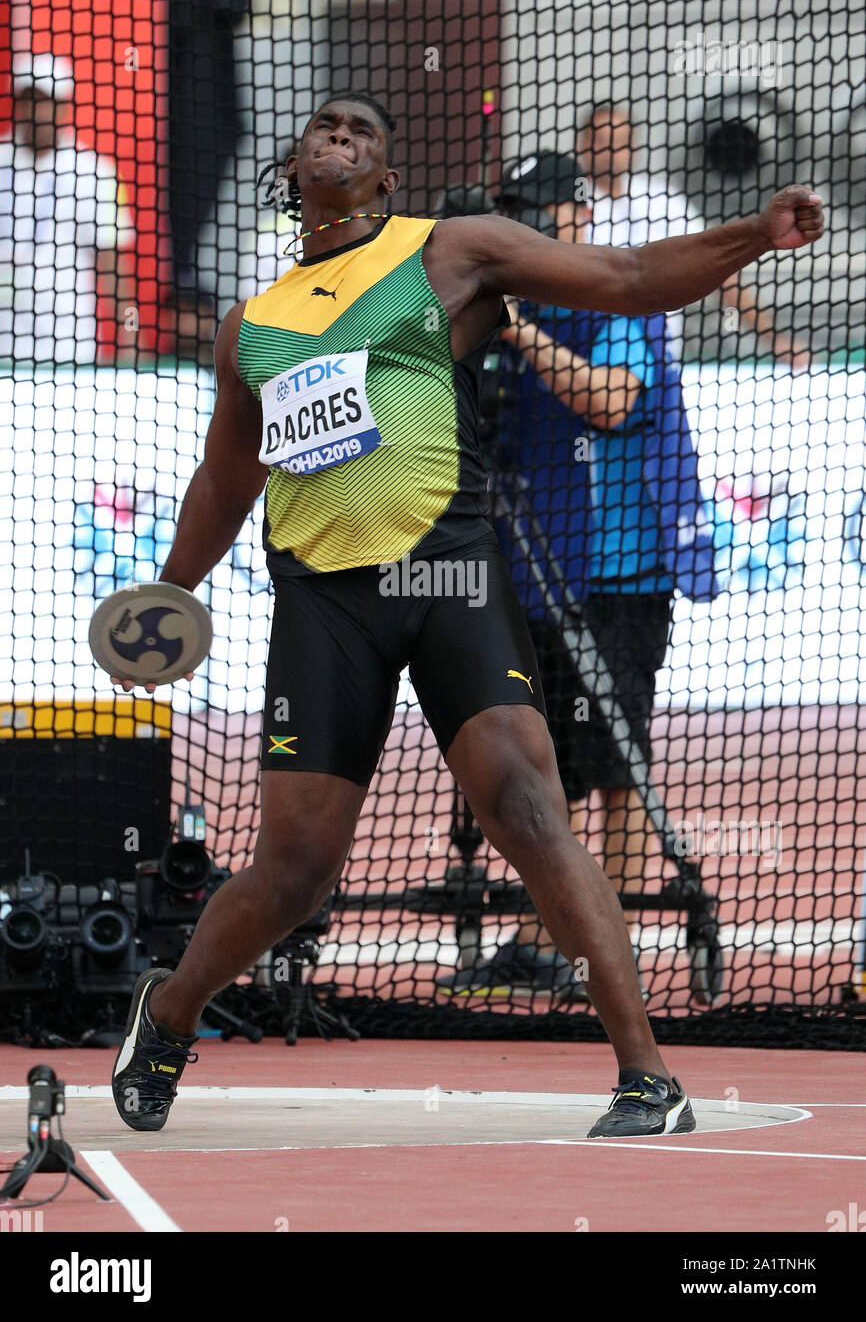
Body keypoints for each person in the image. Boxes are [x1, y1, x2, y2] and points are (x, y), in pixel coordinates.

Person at [109, 92, 823, 1140]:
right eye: (326, 125)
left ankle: (644, 1078)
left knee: (527, 803)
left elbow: (625, 281)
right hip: (325, 599)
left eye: (362, 127)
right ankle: (168, 1012)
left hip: (445, 574)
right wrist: (167, 594)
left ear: (387, 177)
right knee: (296, 870)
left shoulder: (450, 251)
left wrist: (750, 235)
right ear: (295, 168)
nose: (340, 132)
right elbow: (226, 482)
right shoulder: (250, 326)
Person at [438, 152, 717, 1000]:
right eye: (513, 212)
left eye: (539, 212)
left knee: (616, 765)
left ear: (577, 217)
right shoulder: (509, 305)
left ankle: (604, 950)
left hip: (618, 577)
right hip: (533, 577)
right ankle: (542, 935)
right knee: (539, 762)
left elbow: (614, 401)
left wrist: (521, 331)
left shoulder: (609, 298)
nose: (525, 226)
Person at [577, 103, 810, 371]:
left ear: (634, 146)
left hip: (660, 362)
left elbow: (720, 270)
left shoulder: (662, 201)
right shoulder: (568, 204)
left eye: (620, 142)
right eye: (602, 140)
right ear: (583, 144)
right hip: (585, 365)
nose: (611, 152)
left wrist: (774, 339)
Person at [0, 53, 137, 366]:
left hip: (67, 349)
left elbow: (113, 263)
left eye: (44, 102)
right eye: (27, 101)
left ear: (63, 106)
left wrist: (129, 339)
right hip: (3, 346)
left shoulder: (94, 170)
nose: (35, 112)